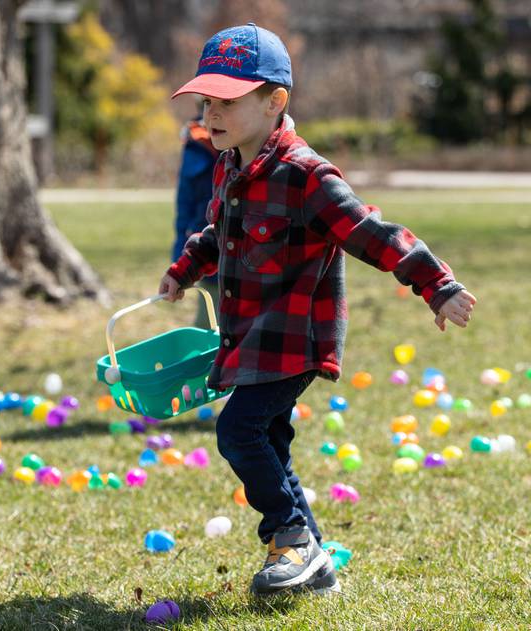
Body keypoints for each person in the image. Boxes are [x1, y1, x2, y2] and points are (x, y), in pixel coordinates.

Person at [159, 23, 476, 596]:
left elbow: (372, 232)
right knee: (270, 442)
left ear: (274, 101)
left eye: (228, 101)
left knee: (239, 429)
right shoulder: (229, 165)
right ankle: (315, 563)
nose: (212, 113)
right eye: (207, 100)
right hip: (248, 334)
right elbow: (217, 233)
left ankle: (291, 538)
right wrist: (184, 270)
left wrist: (437, 284)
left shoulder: (307, 176)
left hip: (293, 339)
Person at [172, 107, 220, 328]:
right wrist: (179, 249)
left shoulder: (247, 144)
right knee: (209, 325)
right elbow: (185, 202)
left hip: (244, 259)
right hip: (206, 247)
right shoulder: (195, 145)